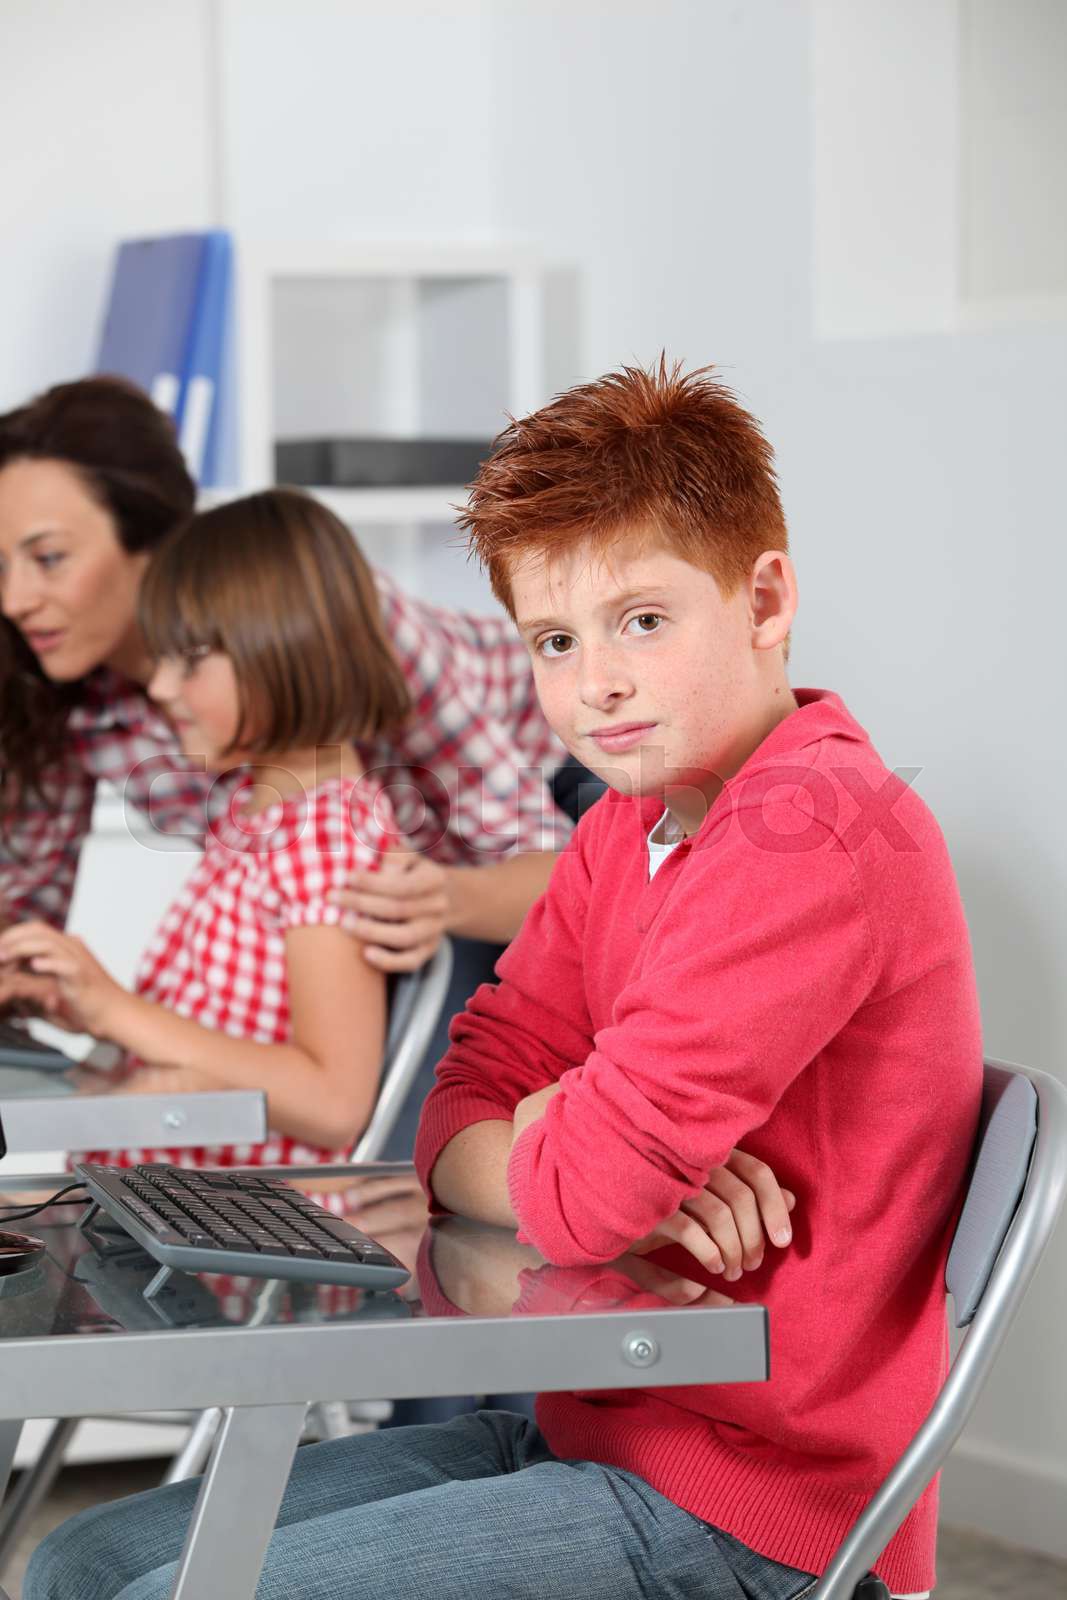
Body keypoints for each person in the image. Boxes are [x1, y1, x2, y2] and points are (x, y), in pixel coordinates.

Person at [24, 361, 982, 1600]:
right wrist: (568, 1142)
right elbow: (457, 1102)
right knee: (80, 1555)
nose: (597, 683)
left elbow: (580, 1191)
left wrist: (585, 1154)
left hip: (753, 1503)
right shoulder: (621, 831)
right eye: (554, 639)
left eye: (642, 619)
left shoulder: (803, 830)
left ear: (764, 598)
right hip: (600, 1423)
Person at [0, 376, 589, 1154]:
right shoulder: (88, 700)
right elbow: (28, 900)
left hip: (529, 822)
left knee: (423, 1150)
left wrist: (434, 897)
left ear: (149, 543)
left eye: (48, 557)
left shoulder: (336, 649)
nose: (15, 598)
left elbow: (562, 884)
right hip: (342, 882)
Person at [0, 488, 410, 1169]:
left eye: (188, 660)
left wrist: (116, 1013)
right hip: (168, 1213)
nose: (159, 687)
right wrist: (84, 1004)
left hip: (238, 1241)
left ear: (284, 649)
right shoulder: (257, 811)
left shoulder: (326, 836)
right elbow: (222, 1031)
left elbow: (333, 1101)